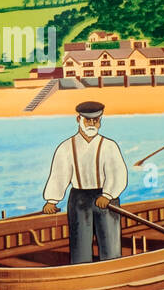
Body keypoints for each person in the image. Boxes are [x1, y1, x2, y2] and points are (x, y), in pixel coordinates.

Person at [42, 100, 128, 264]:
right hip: (79, 199)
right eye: (88, 120)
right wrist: (52, 200)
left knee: (111, 248)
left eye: (96, 120)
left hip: (106, 199)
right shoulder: (66, 147)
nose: (92, 124)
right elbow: (59, 174)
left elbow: (118, 173)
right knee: (80, 248)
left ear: (100, 121)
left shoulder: (109, 146)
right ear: (78, 120)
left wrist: (108, 194)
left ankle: (112, 275)